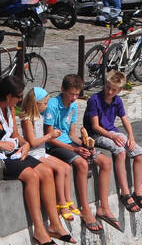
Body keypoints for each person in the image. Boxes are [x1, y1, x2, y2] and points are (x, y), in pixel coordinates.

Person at [0, 75, 67, 245]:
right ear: (7, 95)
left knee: (47, 172)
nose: (20, 100)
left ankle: (55, 224)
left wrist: (26, 144)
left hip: (10, 152)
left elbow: (16, 136)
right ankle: (39, 230)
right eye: (18, 96)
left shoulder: (9, 108)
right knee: (32, 176)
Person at [44, 73, 116, 232]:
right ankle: (85, 209)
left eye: (77, 94)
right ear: (63, 90)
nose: (74, 98)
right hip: (55, 145)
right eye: (71, 94)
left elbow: (71, 134)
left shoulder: (74, 106)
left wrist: (85, 145)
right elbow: (49, 138)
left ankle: (103, 207)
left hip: (68, 142)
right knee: (82, 164)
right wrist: (75, 149)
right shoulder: (53, 105)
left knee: (105, 162)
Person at [85, 70, 142, 215]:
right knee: (120, 151)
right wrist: (113, 137)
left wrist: (131, 137)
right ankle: (125, 192)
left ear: (119, 90)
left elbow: (125, 120)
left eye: (113, 90)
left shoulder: (117, 101)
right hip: (96, 134)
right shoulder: (94, 100)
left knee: (139, 154)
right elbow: (95, 126)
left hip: (112, 132)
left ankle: (138, 192)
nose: (109, 91)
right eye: (107, 87)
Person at [20, 87, 79, 225]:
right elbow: (32, 142)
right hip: (33, 154)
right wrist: (49, 136)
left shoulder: (39, 117)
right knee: (59, 170)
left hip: (41, 151)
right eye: (45, 104)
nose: (47, 107)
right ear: (36, 103)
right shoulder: (28, 120)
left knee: (66, 168)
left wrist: (51, 136)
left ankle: (68, 199)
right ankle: (61, 203)